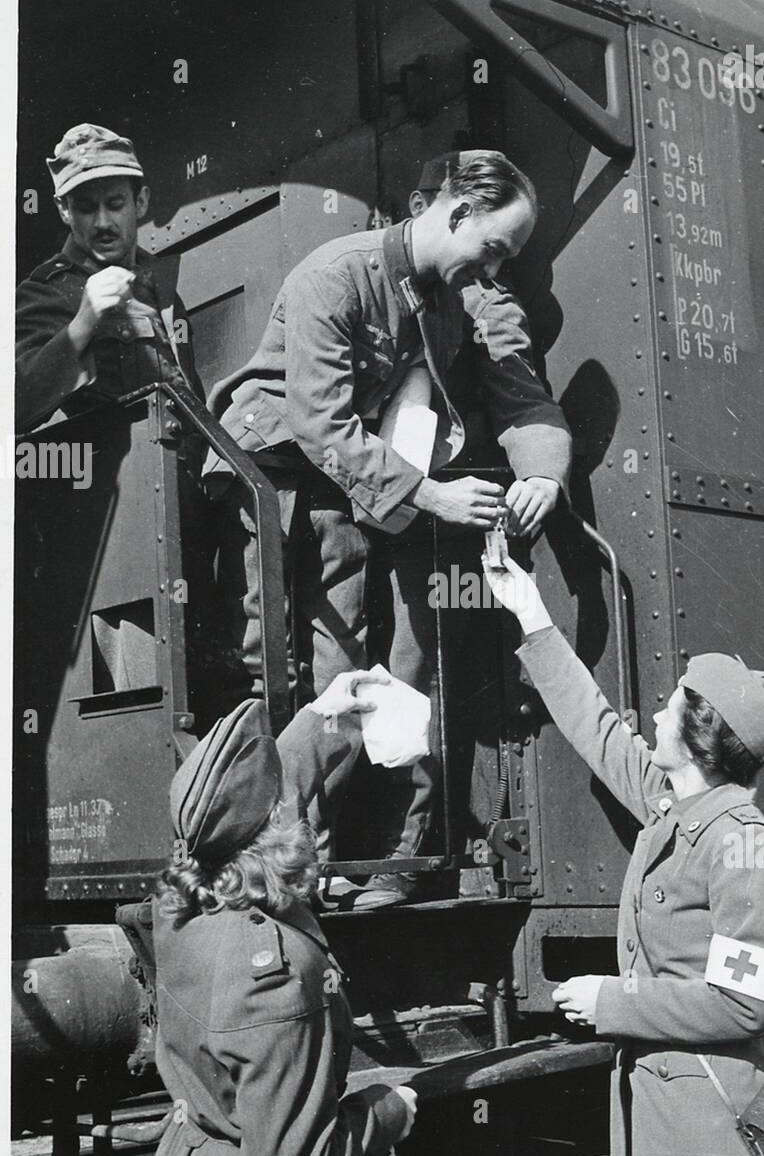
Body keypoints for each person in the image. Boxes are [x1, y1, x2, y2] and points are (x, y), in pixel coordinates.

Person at [206, 150, 571, 907]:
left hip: (341, 489)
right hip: (272, 472)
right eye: (492, 246)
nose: (492, 265)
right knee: (271, 663)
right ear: (455, 211)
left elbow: (506, 379)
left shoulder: (442, 300)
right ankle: (265, 860)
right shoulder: (334, 274)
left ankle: (311, 855)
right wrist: (431, 497)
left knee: (339, 664)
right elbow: (318, 422)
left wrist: (538, 471)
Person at [484, 557, 764, 1156]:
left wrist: (608, 1000)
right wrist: (530, 614)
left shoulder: (743, 846)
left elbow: (743, 1008)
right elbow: (595, 727)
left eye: (670, 706)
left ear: (700, 737)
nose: (654, 715)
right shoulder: (671, 810)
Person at [136, 673, 418, 1156]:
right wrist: (388, 1112)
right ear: (275, 828)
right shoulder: (275, 974)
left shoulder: (177, 905)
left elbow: (231, 804)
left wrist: (324, 716)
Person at [16, 123, 204, 433]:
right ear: (64, 211)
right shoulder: (47, 291)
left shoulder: (157, 283)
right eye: (87, 209)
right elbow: (13, 408)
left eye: (115, 205)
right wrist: (82, 325)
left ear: (140, 201)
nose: (103, 222)